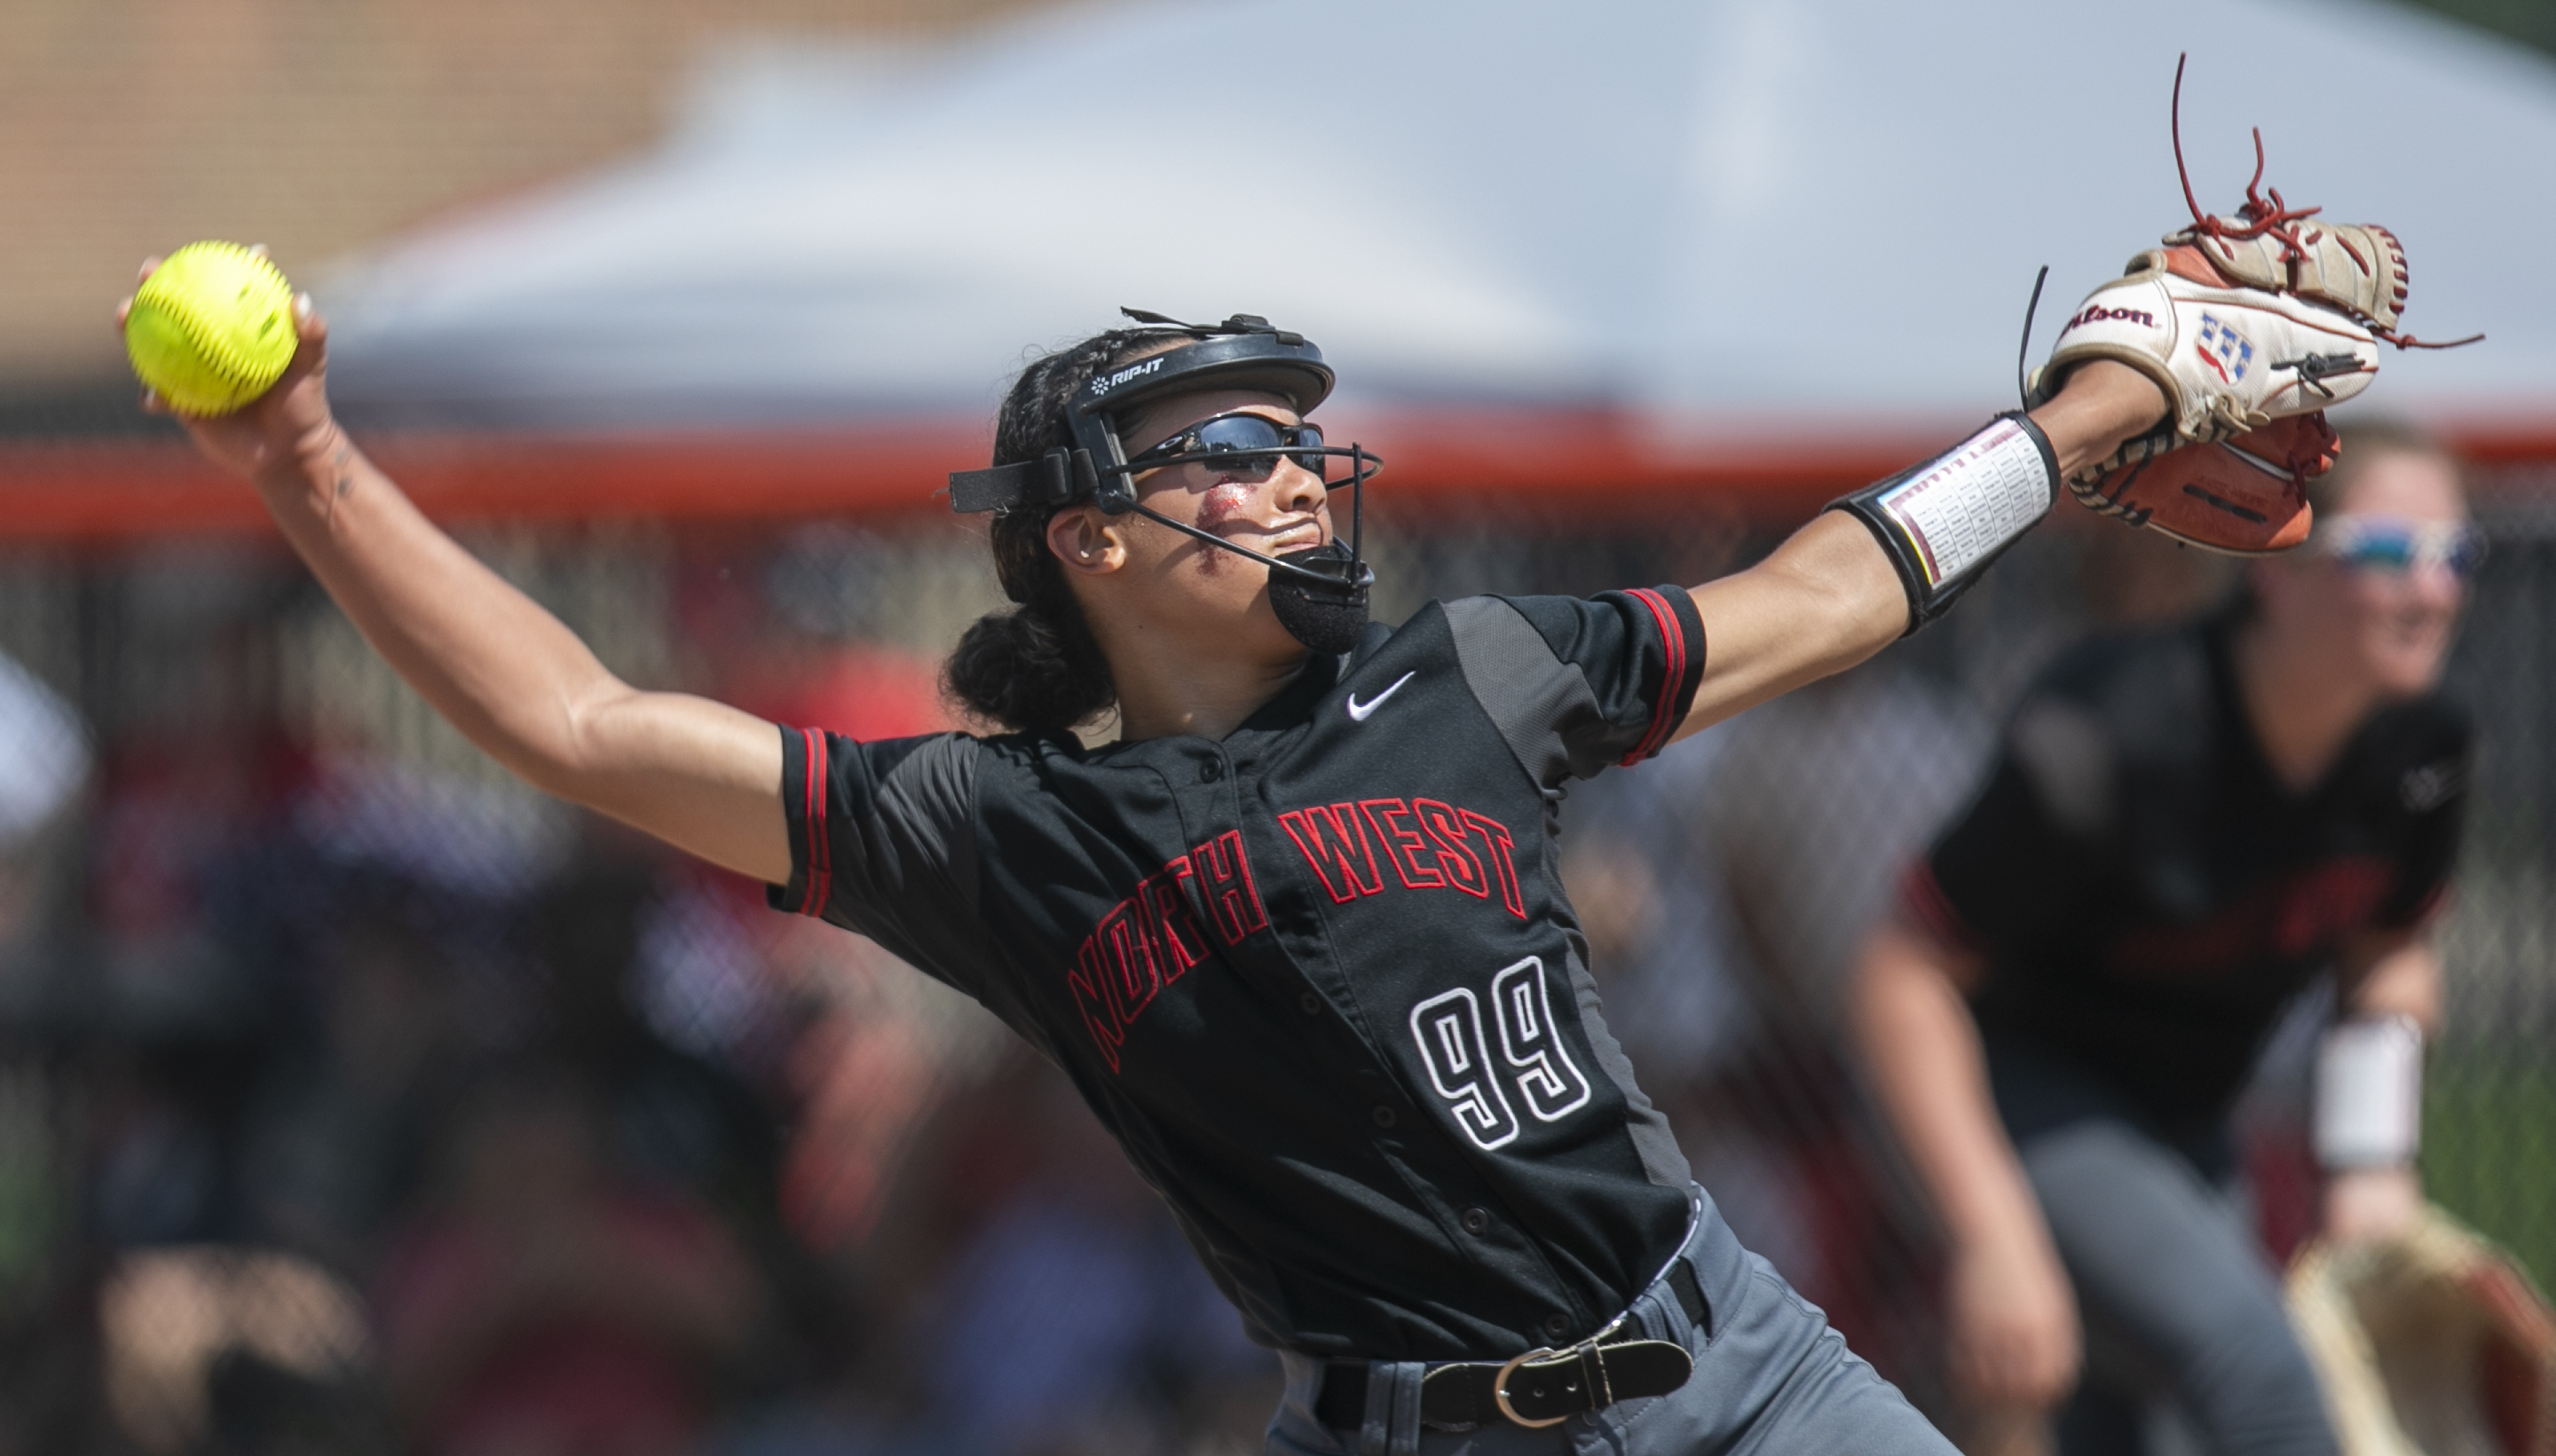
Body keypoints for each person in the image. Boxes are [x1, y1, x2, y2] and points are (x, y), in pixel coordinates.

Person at [129, 256, 2184, 1455]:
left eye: (1294, 437)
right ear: (1092, 540)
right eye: (1227, 446)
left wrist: (2091, 416)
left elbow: (1825, 591)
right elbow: (575, 723)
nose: (1291, 472)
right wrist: (305, 459)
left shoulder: (1467, 672)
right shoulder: (1012, 829)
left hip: (1746, 1368)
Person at [1850, 423, 2476, 1456]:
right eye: (2384, 550)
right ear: (2279, 569)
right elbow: (1897, 976)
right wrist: (1992, 1236)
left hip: (2188, 1118)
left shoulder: (2425, 743)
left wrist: (2371, 1163)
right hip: (2017, 1100)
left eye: (2454, 555)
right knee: (2263, 1374)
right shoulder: (2116, 731)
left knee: (2140, 1432)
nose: (2430, 590)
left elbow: (2390, 949)